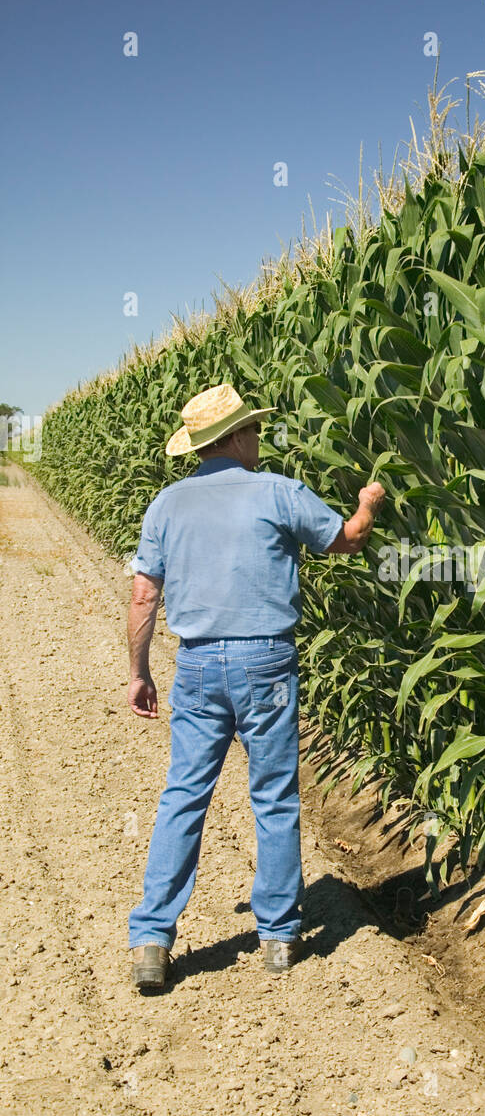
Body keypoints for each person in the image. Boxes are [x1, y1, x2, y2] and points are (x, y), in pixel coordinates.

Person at [125, 382, 385, 991]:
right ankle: (277, 936)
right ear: (236, 437)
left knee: (185, 795)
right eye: (254, 429)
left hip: (195, 665)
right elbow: (346, 540)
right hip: (266, 662)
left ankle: (152, 941)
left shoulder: (167, 504)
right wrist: (368, 502)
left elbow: (143, 595)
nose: (258, 438)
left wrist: (139, 671)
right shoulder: (278, 491)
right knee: (273, 794)